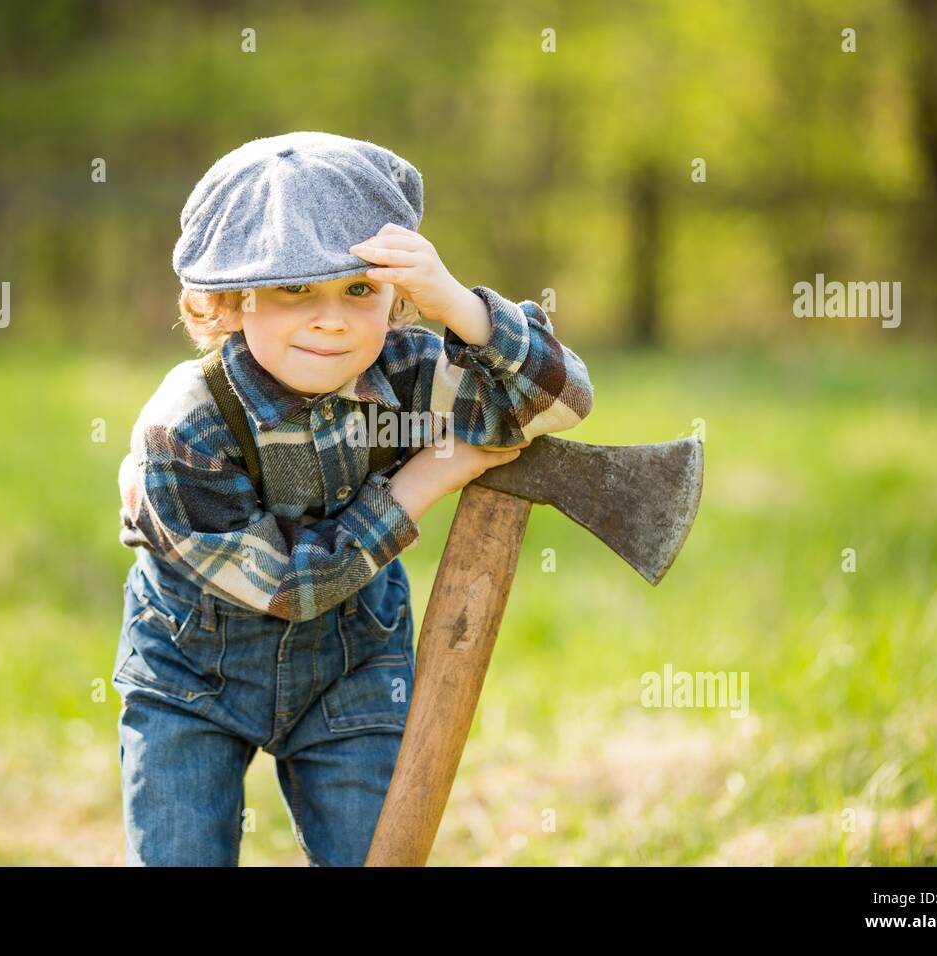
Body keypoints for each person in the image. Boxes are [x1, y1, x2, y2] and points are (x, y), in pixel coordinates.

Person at [114, 131, 594, 865]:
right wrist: (424, 480)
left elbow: (559, 402)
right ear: (233, 299)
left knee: (373, 854)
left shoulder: (401, 372)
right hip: (191, 674)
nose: (332, 319)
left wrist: (463, 310)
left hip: (354, 662)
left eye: (360, 289)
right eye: (295, 289)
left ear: (398, 296)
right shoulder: (184, 428)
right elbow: (285, 587)